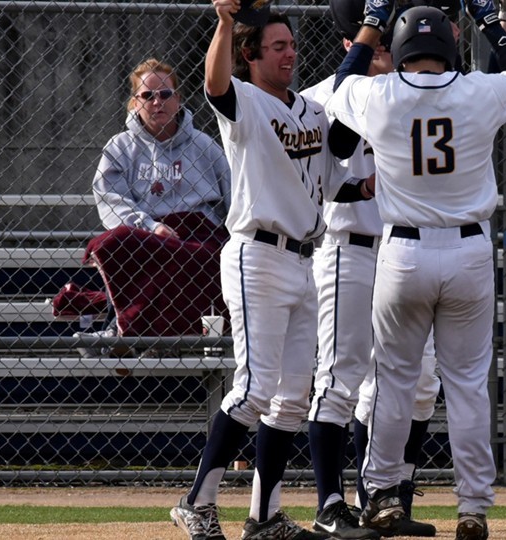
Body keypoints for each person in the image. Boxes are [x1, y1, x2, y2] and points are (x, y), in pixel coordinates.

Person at [326, 1, 506, 538]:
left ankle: (381, 494)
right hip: (468, 251)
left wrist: (371, 22)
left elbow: (341, 86)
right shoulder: (480, 91)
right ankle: (473, 506)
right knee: (466, 385)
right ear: (449, 45)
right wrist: (489, 22)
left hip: (403, 252)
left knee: (394, 381)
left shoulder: (379, 94)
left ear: (399, 49)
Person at [168, 3, 363, 540]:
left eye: (292, 45)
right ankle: (196, 503)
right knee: (254, 389)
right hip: (256, 254)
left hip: (304, 258)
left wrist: (370, 184)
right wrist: (226, 24)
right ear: (251, 57)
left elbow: (334, 176)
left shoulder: (313, 112)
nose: (289, 54)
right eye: (278, 47)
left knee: (293, 397)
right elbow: (214, 85)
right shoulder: (246, 103)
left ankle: (264, 516)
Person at [300, 0, 444, 537]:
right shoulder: (320, 98)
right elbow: (315, 177)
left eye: (389, 40)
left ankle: (389, 499)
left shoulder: (417, 92)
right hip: (349, 246)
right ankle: (330, 505)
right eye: (375, 40)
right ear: (350, 43)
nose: (385, 49)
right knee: (340, 377)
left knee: (420, 382)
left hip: (405, 252)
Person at [80, 58, 231, 351]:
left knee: (211, 253)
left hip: (196, 233)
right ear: (135, 102)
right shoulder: (120, 147)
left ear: (178, 99)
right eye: (147, 95)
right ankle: (125, 328)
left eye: (165, 94)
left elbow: (234, 195)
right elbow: (111, 199)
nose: (157, 102)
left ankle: (129, 331)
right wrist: (150, 226)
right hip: (148, 234)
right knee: (114, 242)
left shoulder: (204, 146)